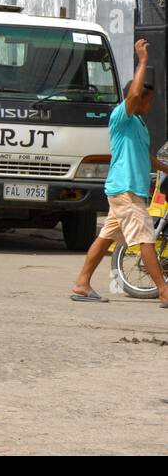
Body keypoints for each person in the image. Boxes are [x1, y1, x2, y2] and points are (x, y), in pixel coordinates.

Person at [72, 39, 168, 304]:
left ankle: (81, 283)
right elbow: (134, 95)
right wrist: (143, 62)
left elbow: (145, 157)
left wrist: (164, 167)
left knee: (105, 239)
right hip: (125, 190)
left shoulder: (138, 125)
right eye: (146, 99)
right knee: (146, 238)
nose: (149, 104)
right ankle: (164, 289)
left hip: (125, 190)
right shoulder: (121, 116)